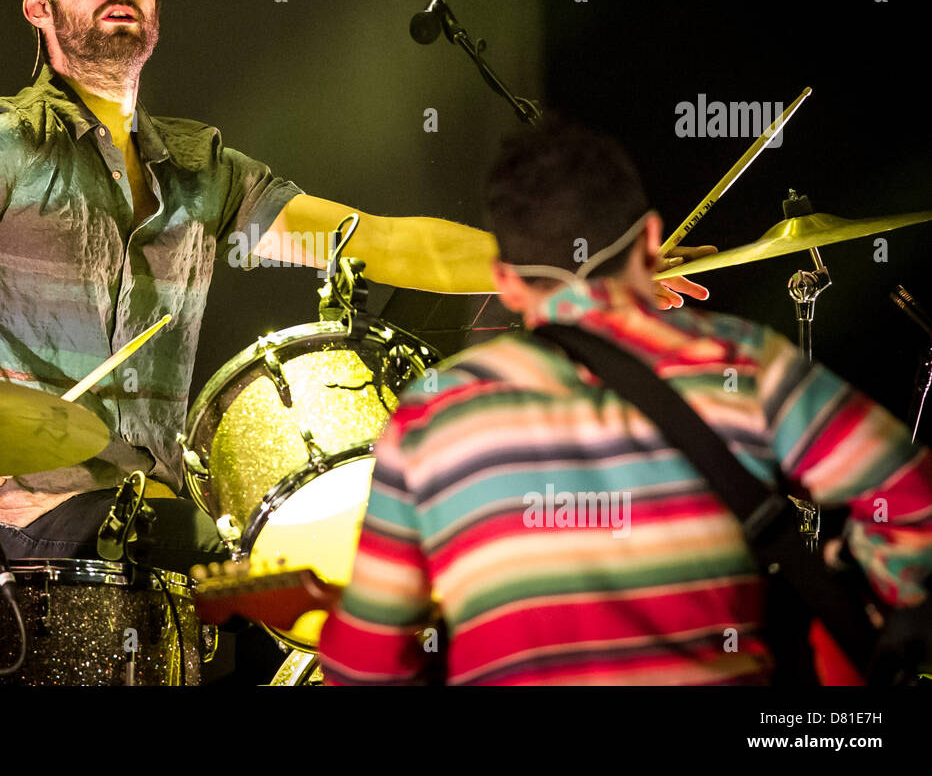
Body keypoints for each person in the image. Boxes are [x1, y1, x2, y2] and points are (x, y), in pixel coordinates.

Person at [0, 0, 710, 572]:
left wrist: (584, 269)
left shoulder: (203, 166)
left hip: (154, 515)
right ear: (40, 10)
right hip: (24, 528)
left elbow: (381, 241)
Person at [318, 117, 932, 685]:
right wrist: (872, 582)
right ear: (651, 241)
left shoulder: (431, 416)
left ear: (504, 281)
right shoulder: (742, 364)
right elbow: (914, 501)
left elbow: (366, 662)